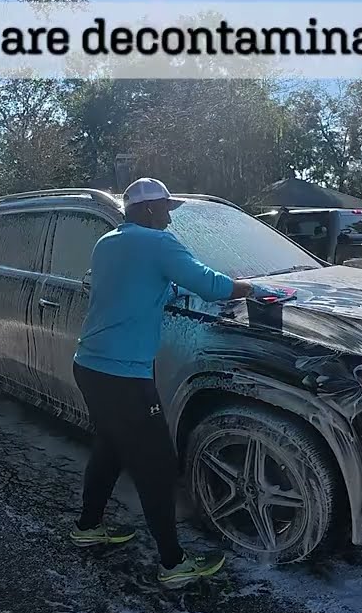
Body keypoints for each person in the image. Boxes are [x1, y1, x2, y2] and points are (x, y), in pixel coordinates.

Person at [69, 177, 260, 589]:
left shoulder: (108, 243)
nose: (170, 218)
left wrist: (165, 290)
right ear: (149, 209)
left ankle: (88, 527)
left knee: (109, 448)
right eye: (166, 210)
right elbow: (212, 284)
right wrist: (256, 289)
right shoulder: (158, 244)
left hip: (89, 365)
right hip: (124, 374)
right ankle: (173, 565)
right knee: (156, 466)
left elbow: (132, 286)